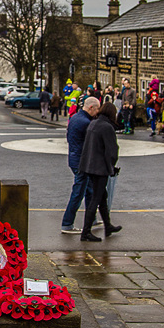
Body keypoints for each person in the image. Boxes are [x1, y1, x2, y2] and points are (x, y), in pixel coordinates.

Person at [78, 100, 122, 242]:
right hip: (100, 168)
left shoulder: (93, 123)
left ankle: (108, 226)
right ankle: (86, 232)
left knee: (102, 197)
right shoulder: (107, 127)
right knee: (96, 199)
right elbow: (112, 151)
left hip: (89, 165)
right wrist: (111, 166)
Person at [61, 96, 100, 234]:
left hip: (74, 158)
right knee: (78, 192)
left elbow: (69, 138)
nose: (98, 112)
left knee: (89, 190)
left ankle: (92, 218)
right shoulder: (86, 123)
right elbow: (91, 144)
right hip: (82, 162)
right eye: (97, 109)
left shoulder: (75, 118)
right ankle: (67, 223)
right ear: (91, 107)